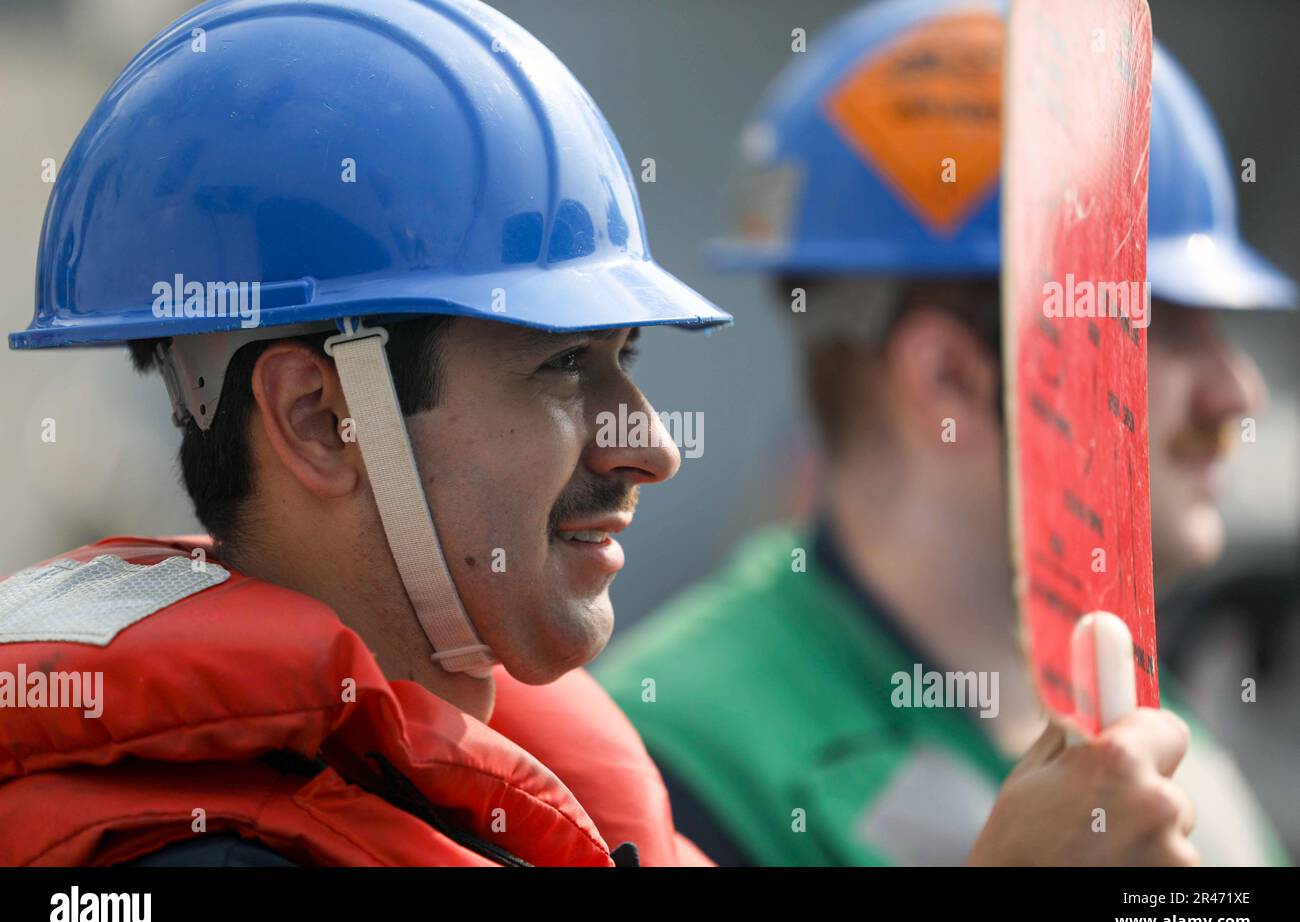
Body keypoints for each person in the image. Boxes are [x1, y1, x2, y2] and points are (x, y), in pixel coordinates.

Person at [0, 0, 1195, 868]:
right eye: (564, 368)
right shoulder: (173, 870)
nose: (647, 442)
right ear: (323, 419)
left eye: (629, 362)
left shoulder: (538, 789)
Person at [597, 0, 1293, 866]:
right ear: (950, 376)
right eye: (1165, 328)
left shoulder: (1160, 740)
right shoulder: (659, 767)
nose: (1240, 390)